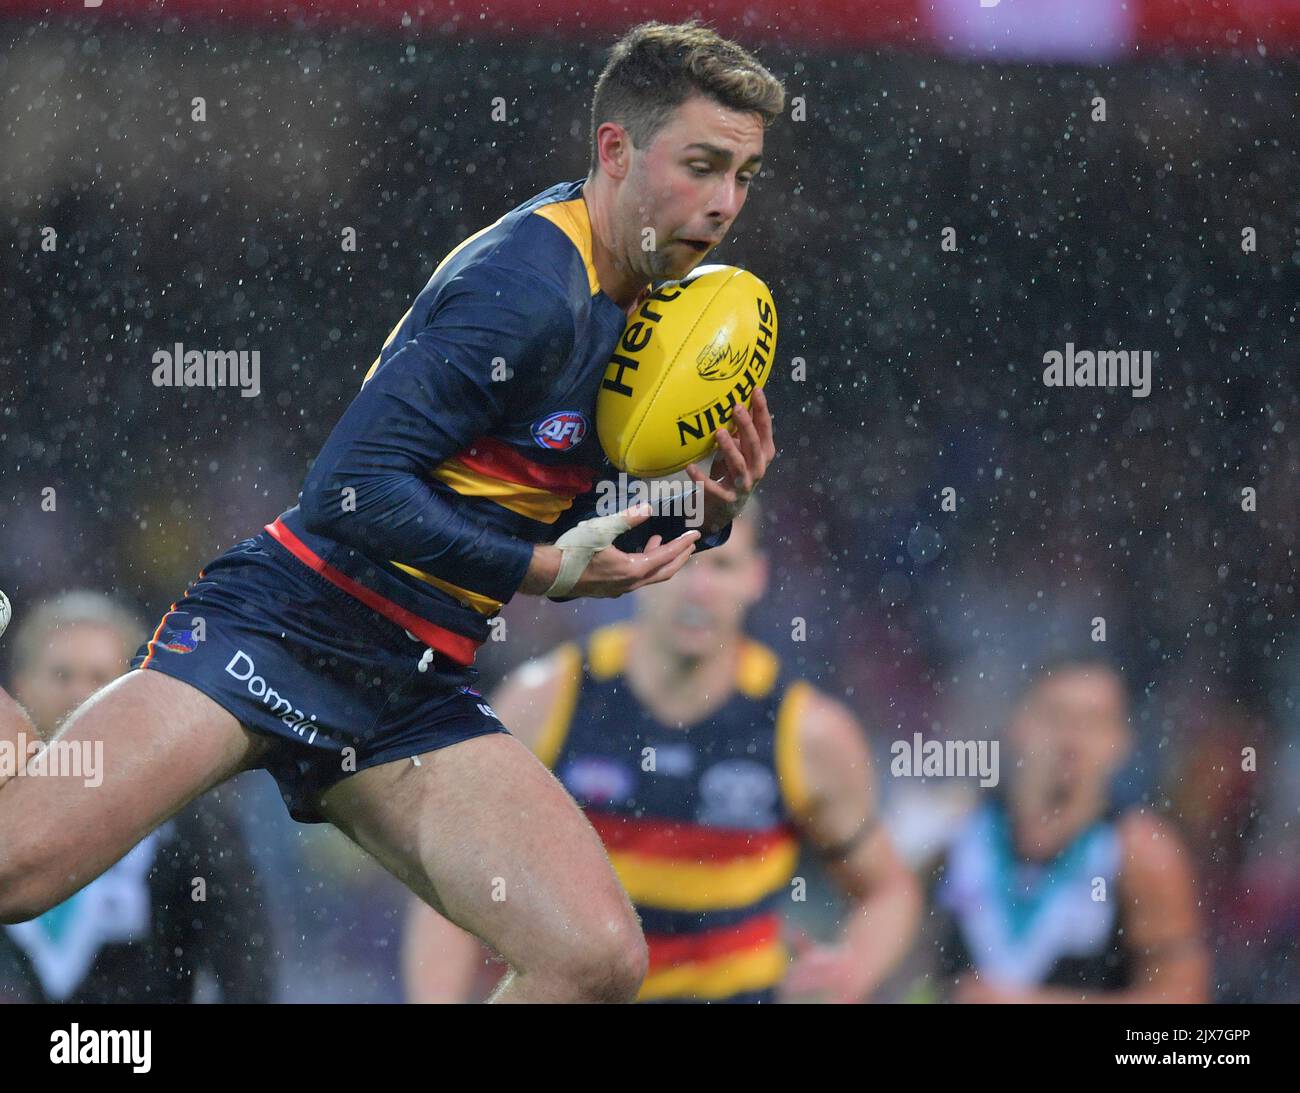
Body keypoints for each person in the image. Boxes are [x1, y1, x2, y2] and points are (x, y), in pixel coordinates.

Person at [0, 21, 783, 1003]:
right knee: (14, 873)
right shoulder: (528, 285)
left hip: (406, 688)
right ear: (616, 151)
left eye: (744, 176)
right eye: (703, 165)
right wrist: (536, 571)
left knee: (594, 957)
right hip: (285, 625)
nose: (722, 204)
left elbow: (571, 530)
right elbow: (350, 491)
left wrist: (712, 513)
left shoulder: (662, 310)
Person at [403, 505, 921, 1003]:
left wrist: (852, 969)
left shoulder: (808, 733)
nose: (698, 589)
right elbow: (451, 885)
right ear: (636, 562)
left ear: (755, 576)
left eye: (721, 564)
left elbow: (888, 891)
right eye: (680, 559)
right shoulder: (546, 701)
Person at [0, 592, 272, 1004]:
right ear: (20, 685)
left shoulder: (191, 817)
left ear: (130, 698)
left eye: (98, 679)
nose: (78, 695)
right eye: (61, 675)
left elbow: (244, 965)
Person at [928, 657, 1210, 1003]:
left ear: (1120, 742)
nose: (1071, 740)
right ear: (1018, 724)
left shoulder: (1141, 853)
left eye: (1092, 723)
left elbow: (1181, 996)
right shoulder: (952, 831)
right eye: (1056, 717)